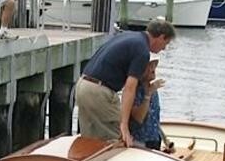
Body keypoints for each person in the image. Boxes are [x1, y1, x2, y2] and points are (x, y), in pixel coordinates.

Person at [75, 18, 175, 147]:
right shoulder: (142, 51)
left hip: (82, 85)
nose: (164, 48)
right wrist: (124, 125)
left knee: (90, 138)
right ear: (161, 37)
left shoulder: (128, 36)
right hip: (99, 92)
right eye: (165, 43)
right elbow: (129, 88)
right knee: (119, 139)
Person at [129, 56, 165, 150]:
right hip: (140, 143)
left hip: (155, 140)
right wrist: (148, 94)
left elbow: (154, 120)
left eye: (154, 65)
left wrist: (166, 140)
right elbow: (139, 118)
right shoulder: (134, 90)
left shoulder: (154, 90)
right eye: (149, 66)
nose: (153, 69)